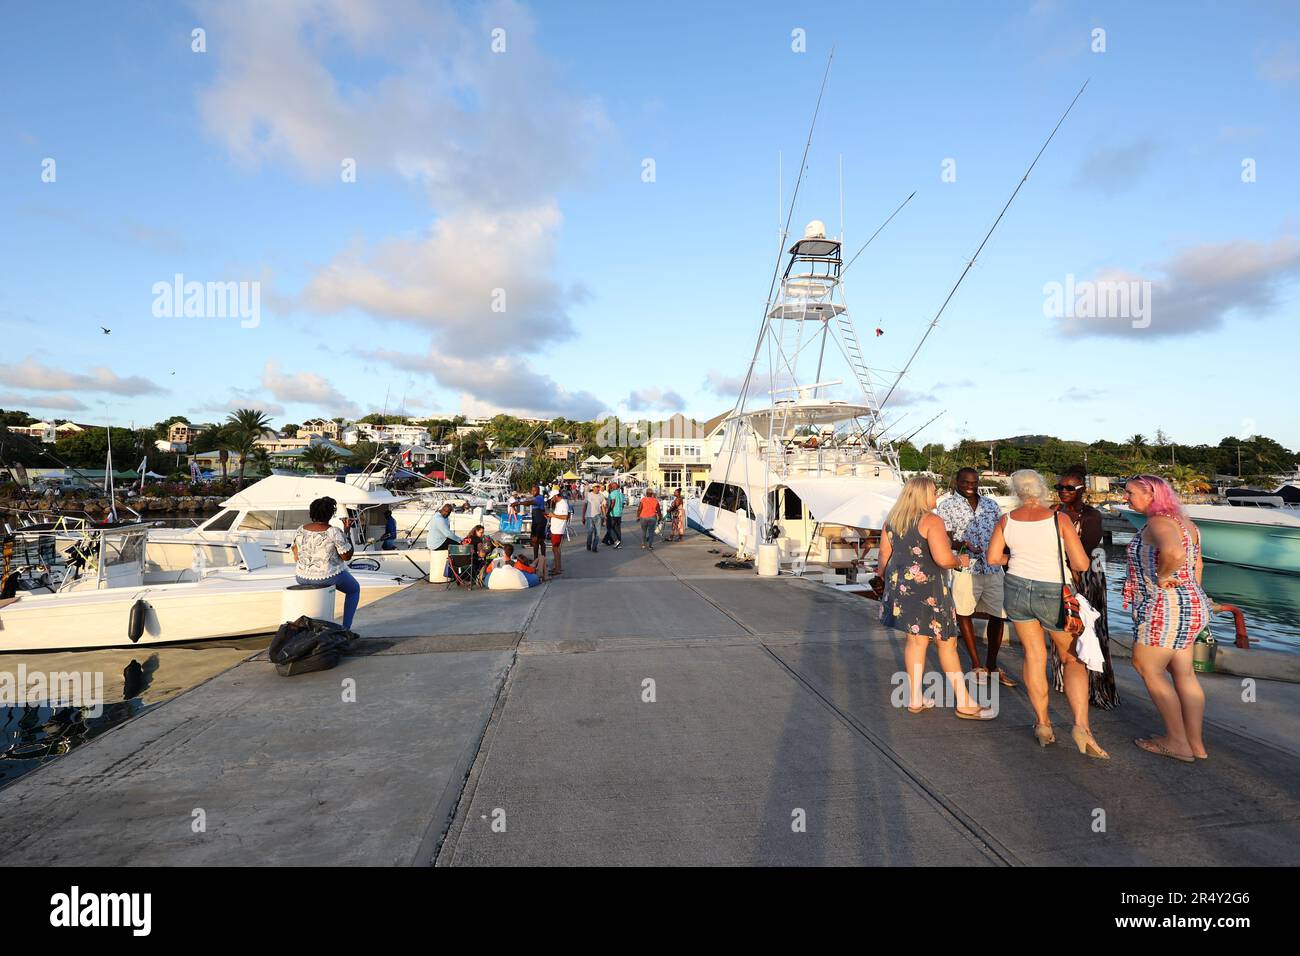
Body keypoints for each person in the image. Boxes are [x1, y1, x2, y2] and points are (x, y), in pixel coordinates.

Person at [986, 469, 1105, 757]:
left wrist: (1017, 558)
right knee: (1071, 658)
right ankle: (1081, 727)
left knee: (1034, 655)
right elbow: (1080, 564)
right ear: (1041, 489)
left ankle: (1042, 724)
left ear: (1016, 491)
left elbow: (992, 558)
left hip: (1015, 588)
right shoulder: (1058, 518)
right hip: (1052, 591)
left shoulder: (1006, 519)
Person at [877, 476, 994, 719]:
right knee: (947, 643)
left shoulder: (893, 520)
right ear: (922, 494)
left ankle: (915, 698)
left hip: (902, 588)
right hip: (929, 590)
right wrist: (959, 561)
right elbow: (942, 559)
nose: (936, 496)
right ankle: (965, 703)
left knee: (915, 641)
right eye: (933, 491)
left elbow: (882, 560)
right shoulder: (931, 520)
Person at [1122, 474, 1210, 762]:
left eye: (1130, 493)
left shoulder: (1159, 522)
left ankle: (1176, 742)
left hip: (1165, 606)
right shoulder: (1187, 524)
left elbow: (1173, 552)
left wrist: (1162, 576)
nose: (1126, 498)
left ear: (1151, 496)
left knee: (1147, 667)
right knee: (1183, 673)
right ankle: (1195, 744)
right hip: (1191, 604)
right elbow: (1197, 563)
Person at [935, 468, 1015, 688]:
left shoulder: (991, 505)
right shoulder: (946, 506)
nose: (969, 485)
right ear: (957, 482)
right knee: (963, 613)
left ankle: (992, 666)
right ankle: (976, 664)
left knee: (998, 615)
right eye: (965, 482)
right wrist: (963, 545)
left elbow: (1003, 534)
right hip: (965, 569)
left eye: (973, 482)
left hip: (992, 567)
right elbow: (944, 539)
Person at [1049, 466, 1118, 709]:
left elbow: (1085, 552)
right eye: (1060, 487)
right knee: (1064, 629)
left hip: (1085, 579)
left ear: (1082, 490)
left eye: (1069, 488)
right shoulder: (1053, 512)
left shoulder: (1091, 515)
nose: (1063, 492)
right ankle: (1065, 680)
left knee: (1090, 629)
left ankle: (1096, 684)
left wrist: (1073, 579)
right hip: (1061, 576)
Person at [292, 496, 361, 630]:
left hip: (301, 576)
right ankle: (345, 628)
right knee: (354, 589)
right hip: (327, 576)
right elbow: (346, 556)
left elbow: (295, 552)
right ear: (331, 514)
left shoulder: (300, 529)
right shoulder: (334, 531)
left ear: (311, 513)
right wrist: (346, 535)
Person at [546, 492, 569, 574]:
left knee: (555, 549)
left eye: (552, 498)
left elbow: (565, 517)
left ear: (556, 496)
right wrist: (550, 516)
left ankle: (557, 569)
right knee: (556, 549)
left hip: (558, 529)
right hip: (555, 529)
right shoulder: (559, 503)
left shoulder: (563, 504)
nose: (552, 500)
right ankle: (558, 567)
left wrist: (553, 516)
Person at [528, 484, 547, 565]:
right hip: (536, 521)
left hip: (540, 522)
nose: (533, 492)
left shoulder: (539, 498)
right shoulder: (536, 497)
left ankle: (541, 560)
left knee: (539, 541)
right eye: (532, 490)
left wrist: (518, 503)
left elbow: (529, 502)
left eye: (534, 490)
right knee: (536, 541)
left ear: (538, 491)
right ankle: (537, 559)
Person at [585, 482, 605, 552]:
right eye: (596, 487)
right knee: (590, 532)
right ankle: (588, 544)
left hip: (598, 516)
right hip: (589, 516)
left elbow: (602, 506)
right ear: (593, 488)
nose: (598, 488)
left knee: (598, 533)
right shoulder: (588, 495)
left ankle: (594, 547)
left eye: (598, 487)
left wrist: (605, 516)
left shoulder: (601, 496)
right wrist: (583, 516)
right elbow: (585, 505)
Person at [606, 481, 625, 549]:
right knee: (617, 528)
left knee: (610, 528)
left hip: (613, 514)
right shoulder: (621, 494)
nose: (610, 487)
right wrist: (620, 510)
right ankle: (619, 542)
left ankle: (616, 541)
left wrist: (608, 512)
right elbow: (623, 504)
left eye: (611, 486)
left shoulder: (612, 493)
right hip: (619, 514)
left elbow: (613, 503)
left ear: (613, 487)